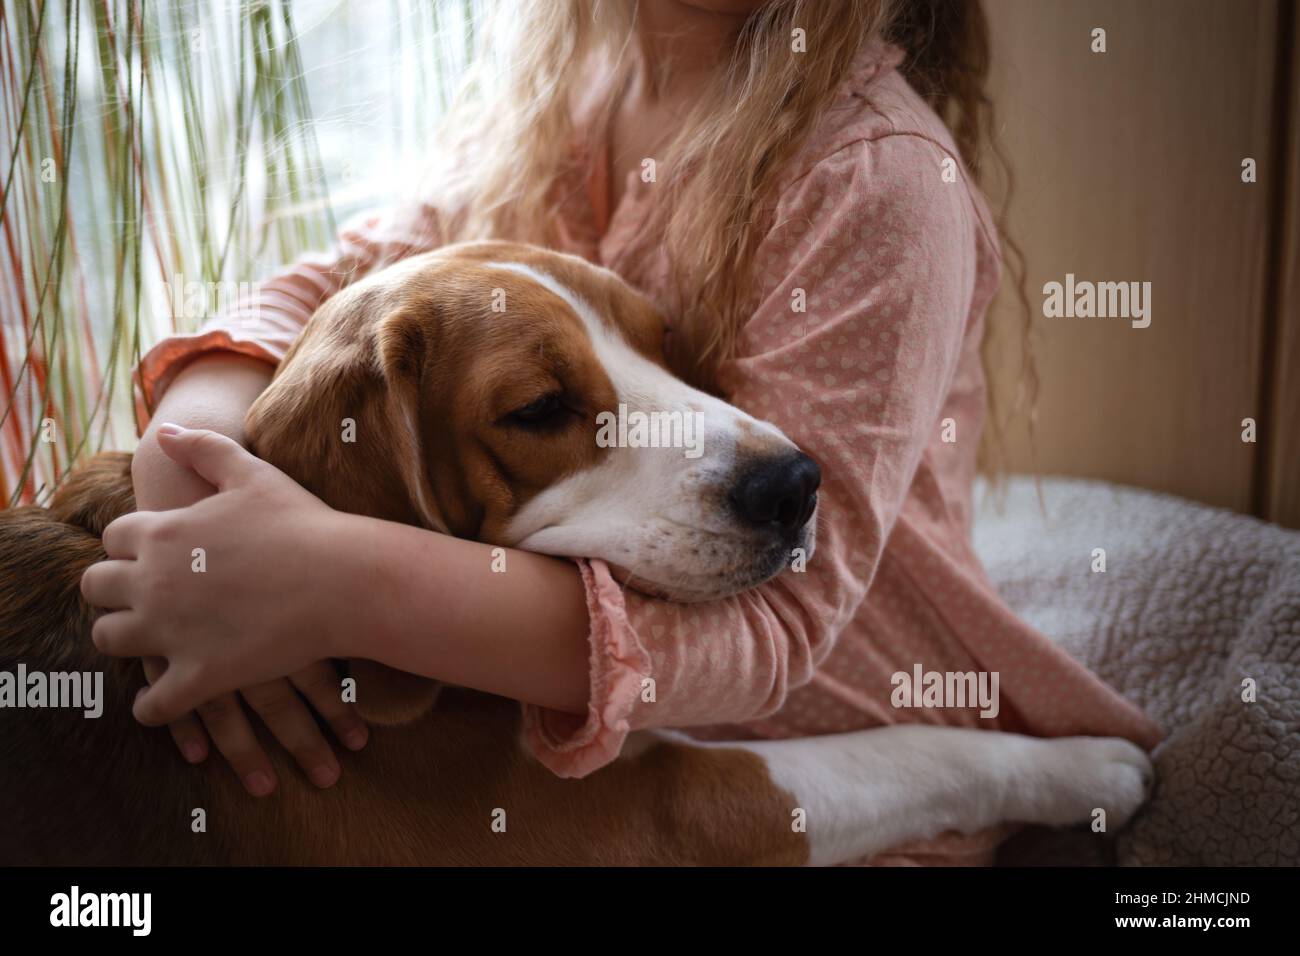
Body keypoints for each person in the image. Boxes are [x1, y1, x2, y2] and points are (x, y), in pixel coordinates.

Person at [82, 0, 1159, 864]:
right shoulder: (567, 96)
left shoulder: (875, 179)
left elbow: (775, 634)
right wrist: (195, 475)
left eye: (666, 352)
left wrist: (337, 577)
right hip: (563, 728)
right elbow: (350, 291)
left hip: (843, 735)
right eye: (545, 407)